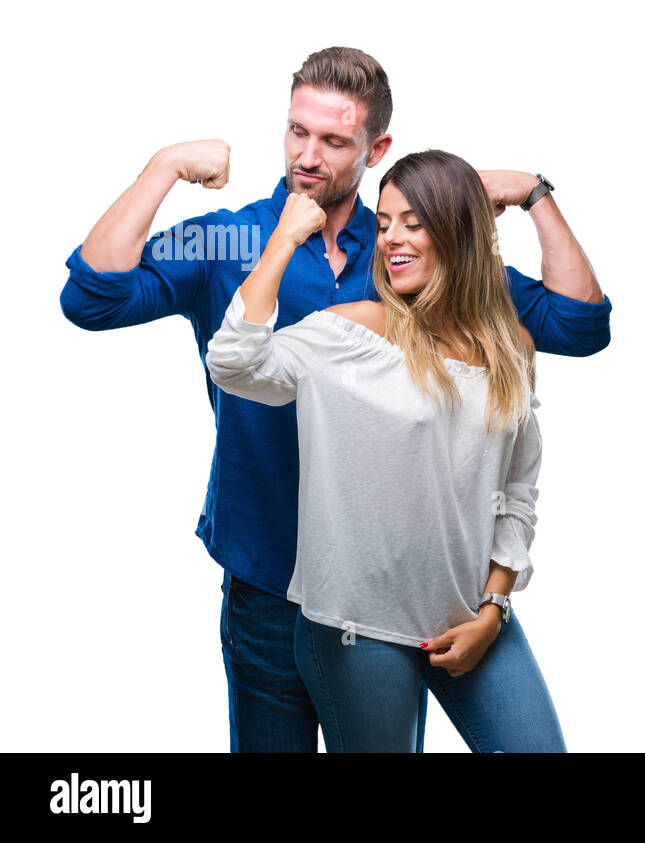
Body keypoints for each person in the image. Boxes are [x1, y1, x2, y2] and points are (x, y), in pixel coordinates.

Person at [59, 47, 611, 752]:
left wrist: (533, 191)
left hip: (412, 572)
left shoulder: (408, 249)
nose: (308, 155)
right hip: (267, 564)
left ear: (378, 147)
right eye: (297, 132)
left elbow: (578, 324)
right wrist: (163, 165)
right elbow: (92, 297)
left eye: (334, 140)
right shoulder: (234, 236)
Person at [206, 149, 562, 752]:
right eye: (386, 221)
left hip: (467, 613)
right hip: (356, 625)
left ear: (458, 233)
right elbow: (234, 363)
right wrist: (284, 242)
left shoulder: (511, 347)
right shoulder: (352, 329)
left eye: (413, 223)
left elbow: (517, 493)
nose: (391, 238)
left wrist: (494, 606)